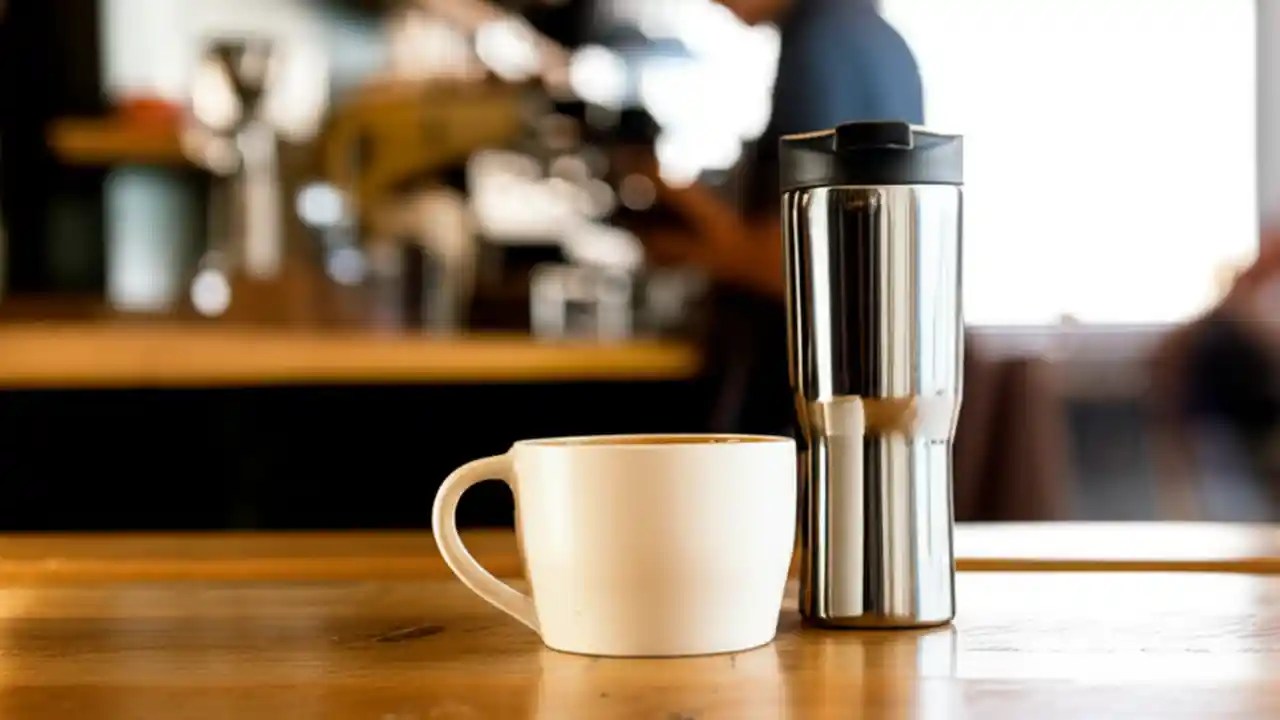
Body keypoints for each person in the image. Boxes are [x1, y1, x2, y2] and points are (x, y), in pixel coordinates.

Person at [641, 0, 926, 434]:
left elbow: (802, 261)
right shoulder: (868, 33)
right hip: (860, 383)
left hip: (818, 389)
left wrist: (685, 231)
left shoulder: (824, 41)